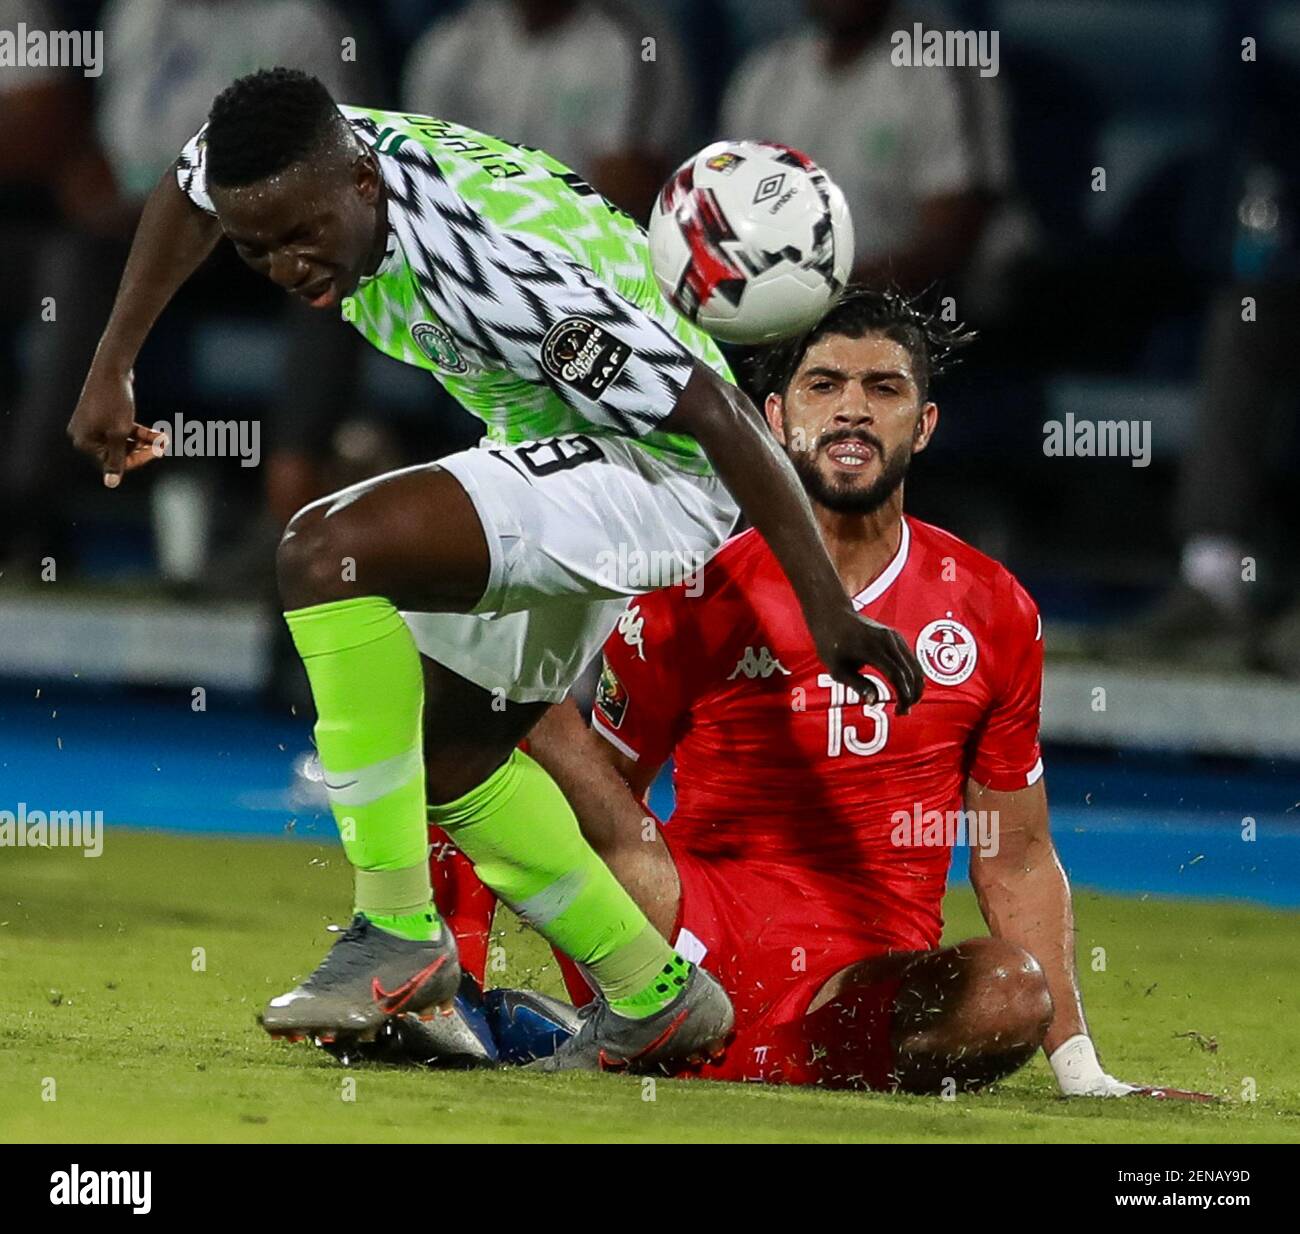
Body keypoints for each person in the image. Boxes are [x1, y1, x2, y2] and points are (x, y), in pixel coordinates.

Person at [67, 70, 923, 1070]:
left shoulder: (499, 268)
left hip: (655, 475)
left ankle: (395, 935)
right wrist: (112, 363)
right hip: (550, 437)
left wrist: (825, 607)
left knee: (322, 550)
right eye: (255, 247)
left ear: (362, 183)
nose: (283, 264)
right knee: (452, 760)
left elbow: (714, 414)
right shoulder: (298, 158)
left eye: (301, 234)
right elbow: (186, 188)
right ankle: (654, 992)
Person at [407, 289, 1212, 1097]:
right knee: (519, 706)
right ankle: (460, 994)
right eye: (824, 385)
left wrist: (1081, 1072)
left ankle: (681, 1051)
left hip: (859, 975)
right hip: (682, 921)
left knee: (1010, 992)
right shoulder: (694, 586)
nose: (853, 410)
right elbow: (590, 800)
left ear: (924, 425)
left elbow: (1018, 855)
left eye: (883, 389)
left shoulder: (991, 608)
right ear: (774, 418)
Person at [720, 0, 1008, 292]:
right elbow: (728, 214)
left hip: (921, 316)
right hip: (784, 312)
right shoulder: (764, 74)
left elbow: (950, 241)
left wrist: (822, 296)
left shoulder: (943, 67)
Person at [402, 0, 694, 222]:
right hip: (469, 248)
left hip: (584, 260)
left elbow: (629, 193)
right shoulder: (452, 43)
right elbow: (419, 173)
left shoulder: (634, 43)